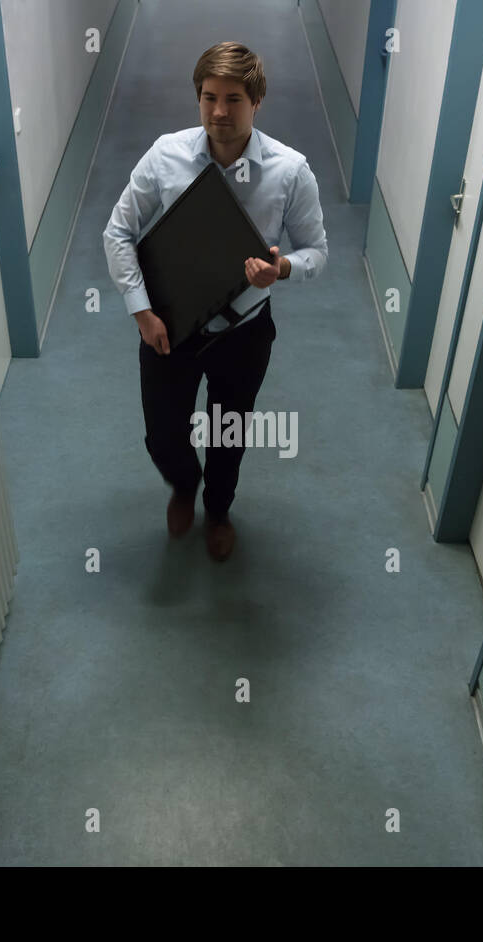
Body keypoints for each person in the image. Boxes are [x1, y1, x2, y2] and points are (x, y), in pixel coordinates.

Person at [102, 41, 328, 562]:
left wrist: (283, 268)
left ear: (258, 102)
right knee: (163, 434)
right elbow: (118, 231)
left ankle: (219, 509)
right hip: (170, 324)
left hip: (244, 330)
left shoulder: (290, 171)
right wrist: (141, 311)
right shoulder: (167, 154)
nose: (219, 112)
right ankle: (184, 484)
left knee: (229, 432)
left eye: (234, 99)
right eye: (208, 98)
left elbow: (318, 252)